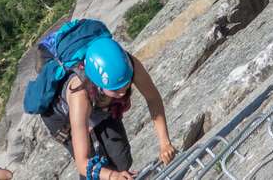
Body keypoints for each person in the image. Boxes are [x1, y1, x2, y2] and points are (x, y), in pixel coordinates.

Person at [38, 32, 176, 180]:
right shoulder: (79, 96)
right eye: (116, 89)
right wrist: (111, 176)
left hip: (101, 102)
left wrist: (165, 143)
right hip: (61, 116)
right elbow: (83, 163)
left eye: (126, 85)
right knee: (95, 166)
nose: (123, 93)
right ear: (98, 82)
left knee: (121, 160)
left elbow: (152, 98)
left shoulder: (126, 65)